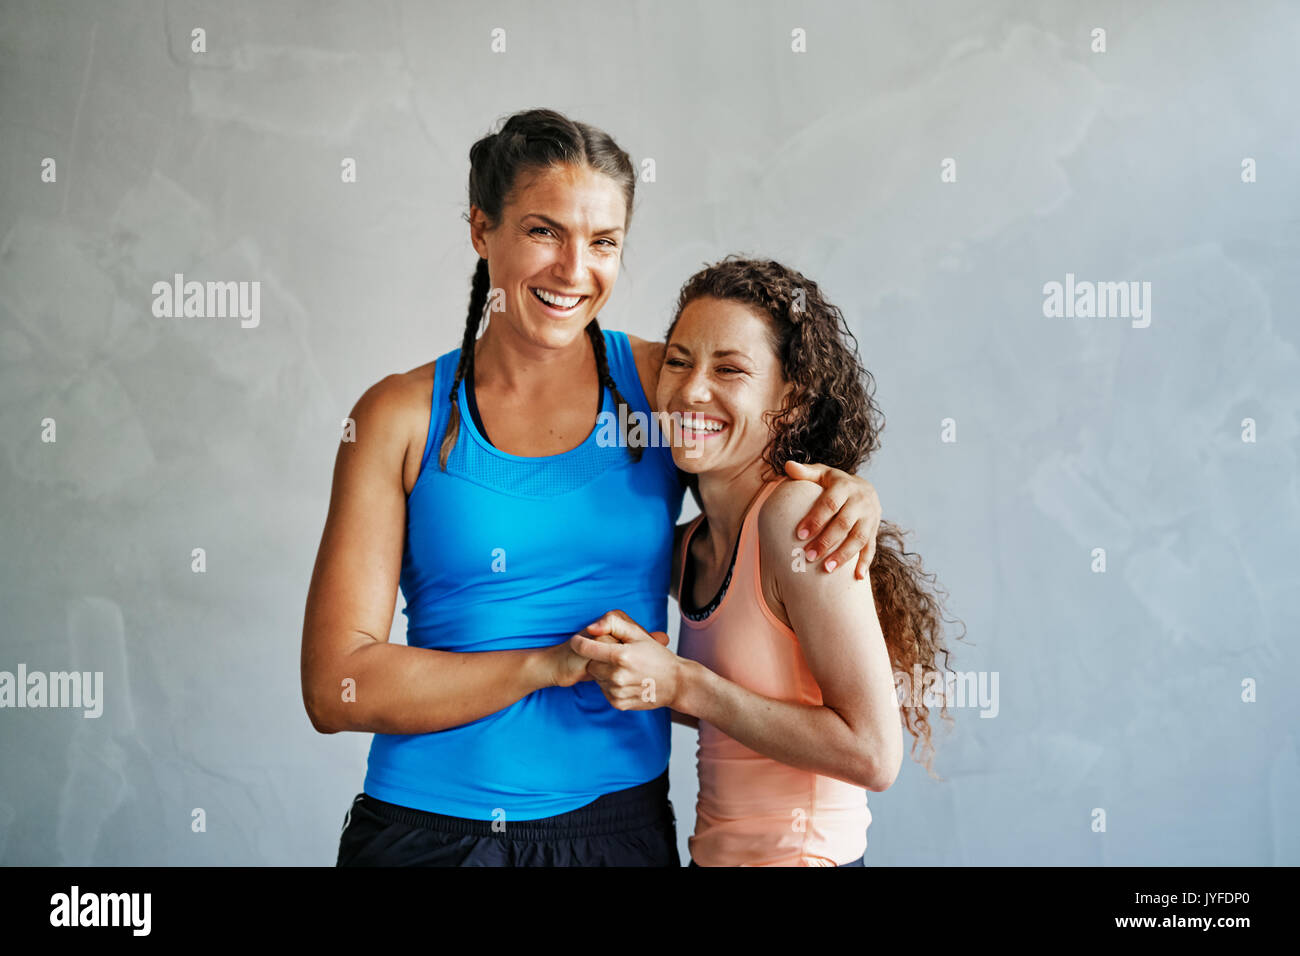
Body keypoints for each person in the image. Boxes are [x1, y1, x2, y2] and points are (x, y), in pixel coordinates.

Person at [301, 109, 887, 866]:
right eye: (545, 231)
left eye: (603, 242)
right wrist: (548, 665)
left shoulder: (661, 382)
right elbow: (337, 683)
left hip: (615, 835)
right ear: (482, 230)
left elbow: (756, 509)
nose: (574, 270)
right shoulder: (400, 416)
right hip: (427, 832)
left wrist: (849, 491)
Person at [571, 256, 959, 866]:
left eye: (730, 369)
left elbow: (873, 755)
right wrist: (646, 681)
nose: (693, 389)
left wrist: (683, 683)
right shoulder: (691, 546)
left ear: (791, 398)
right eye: (679, 360)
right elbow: (743, 717)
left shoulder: (794, 518)